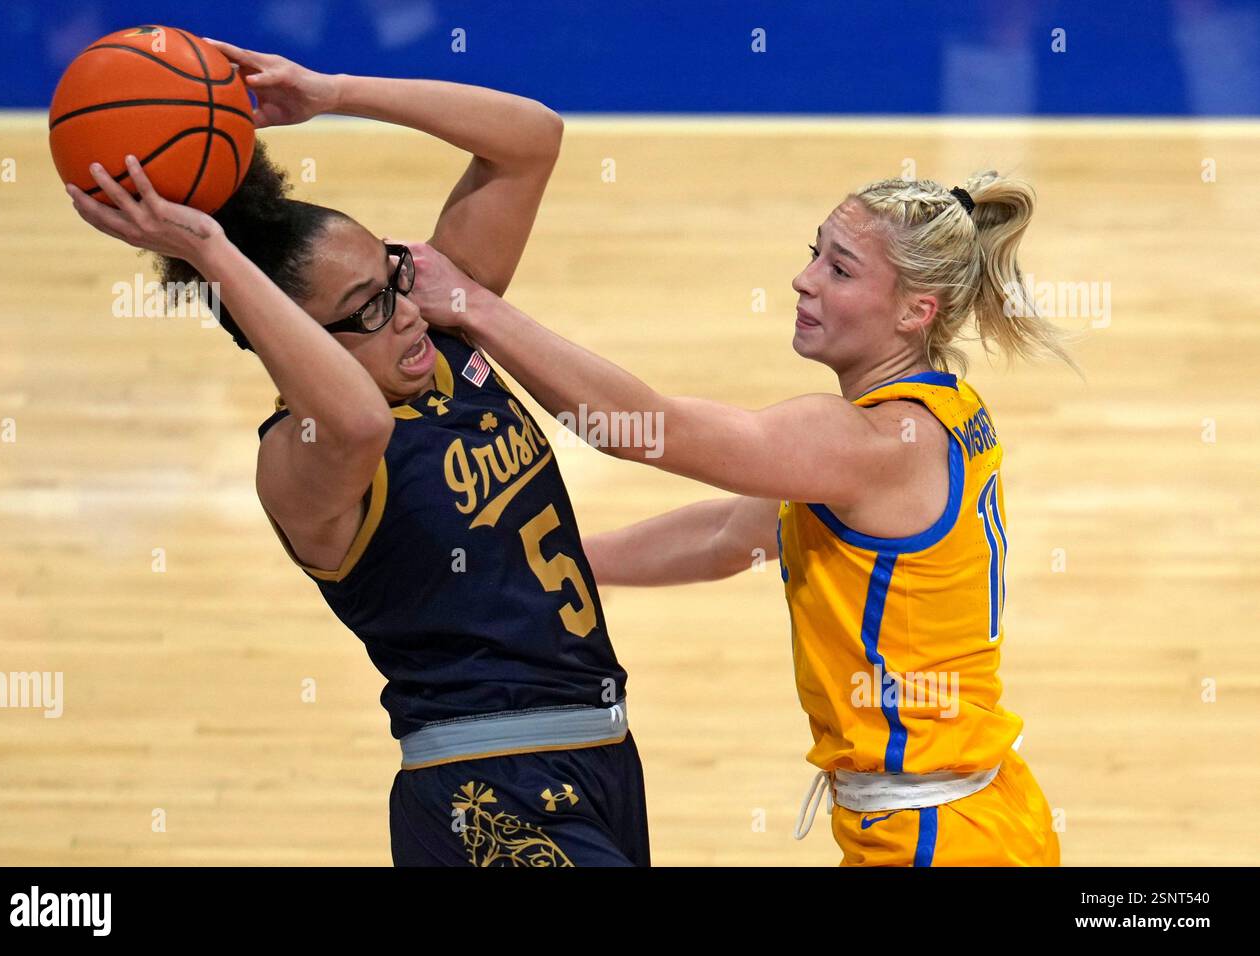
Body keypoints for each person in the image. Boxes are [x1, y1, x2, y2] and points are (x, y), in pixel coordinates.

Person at [65, 42, 648, 867]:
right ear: (295, 340)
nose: (405, 313)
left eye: (394, 277)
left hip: (600, 757)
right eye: (365, 310)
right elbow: (357, 424)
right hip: (482, 788)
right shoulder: (300, 461)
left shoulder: (438, 341)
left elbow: (530, 140)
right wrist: (209, 254)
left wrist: (333, 90)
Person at [407, 172, 1073, 866]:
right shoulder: (946, 413)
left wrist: (471, 306)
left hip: (938, 837)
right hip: (985, 811)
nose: (803, 280)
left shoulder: (866, 443)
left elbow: (641, 428)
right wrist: (555, 567)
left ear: (916, 311)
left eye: (839, 269)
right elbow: (728, 537)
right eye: (814, 253)